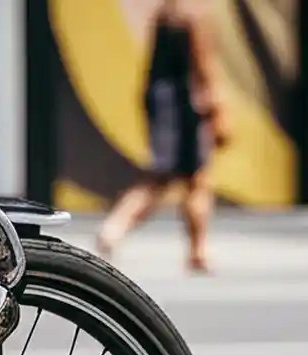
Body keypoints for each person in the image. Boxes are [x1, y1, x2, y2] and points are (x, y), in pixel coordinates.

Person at [95, 0, 230, 273]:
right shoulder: (192, 13)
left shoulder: (167, 14)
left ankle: (195, 247)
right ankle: (194, 247)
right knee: (189, 178)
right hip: (186, 104)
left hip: (164, 101)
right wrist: (218, 108)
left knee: (178, 177)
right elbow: (203, 65)